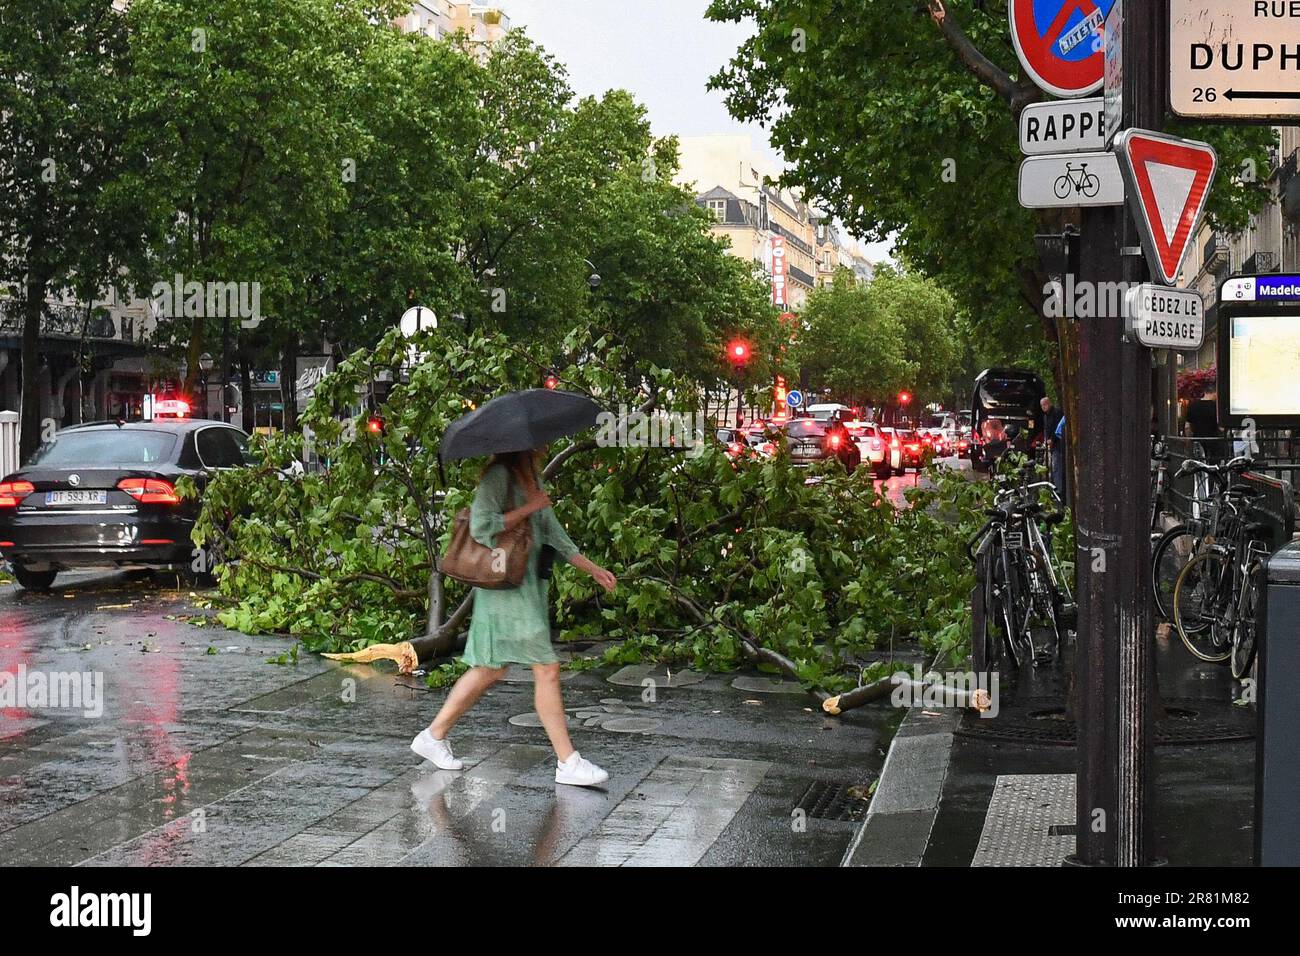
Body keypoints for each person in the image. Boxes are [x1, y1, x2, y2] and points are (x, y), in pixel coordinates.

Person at [411, 448, 619, 787]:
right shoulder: (499, 478)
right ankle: (568, 761)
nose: (544, 446)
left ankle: (433, 736)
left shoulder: (531, 479)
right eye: (538, 442)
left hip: (526, 589)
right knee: (546, 667)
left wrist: (593, 570)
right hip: (504, 591)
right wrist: (528, 508)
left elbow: (554, 535)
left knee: (490, 669)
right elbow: (481, 525)